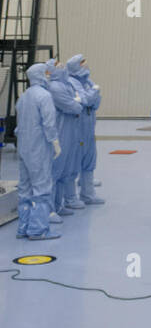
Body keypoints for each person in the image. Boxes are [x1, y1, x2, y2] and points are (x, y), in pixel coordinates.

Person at [15, 63, 62, 241]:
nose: (49, 75)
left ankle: (23, 226)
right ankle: (38, 230)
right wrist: (55, 143)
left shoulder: (24, 96)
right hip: (38, 148)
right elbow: (49, 124)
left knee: (25, 188)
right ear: (42, 74)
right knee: (41, 188)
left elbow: (19, 125)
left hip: (23, 147)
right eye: (47, 72)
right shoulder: (44, 96)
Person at [66, 55, 105, 205]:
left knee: (89, 158)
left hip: (88, 125)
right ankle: (72, 197)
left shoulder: (87, 81)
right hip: (78, 127)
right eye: (82, 64)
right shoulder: (72, 82)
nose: (86, 66)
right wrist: (93, 95)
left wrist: (92, 96)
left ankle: (88, 193)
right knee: (76, 160)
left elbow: (95, 102)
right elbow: (86, 100)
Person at [47, 61, 84, 215]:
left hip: (69, 132)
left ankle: (58, 205)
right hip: (60, 132)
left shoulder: (65, 85)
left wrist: (76, 103)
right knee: (55, 171)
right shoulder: (55, 87)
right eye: (57, 64)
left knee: (64, 171)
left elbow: (77, 104)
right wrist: (77, 102)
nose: (61, 66)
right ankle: (50, 210)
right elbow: (73, 106)